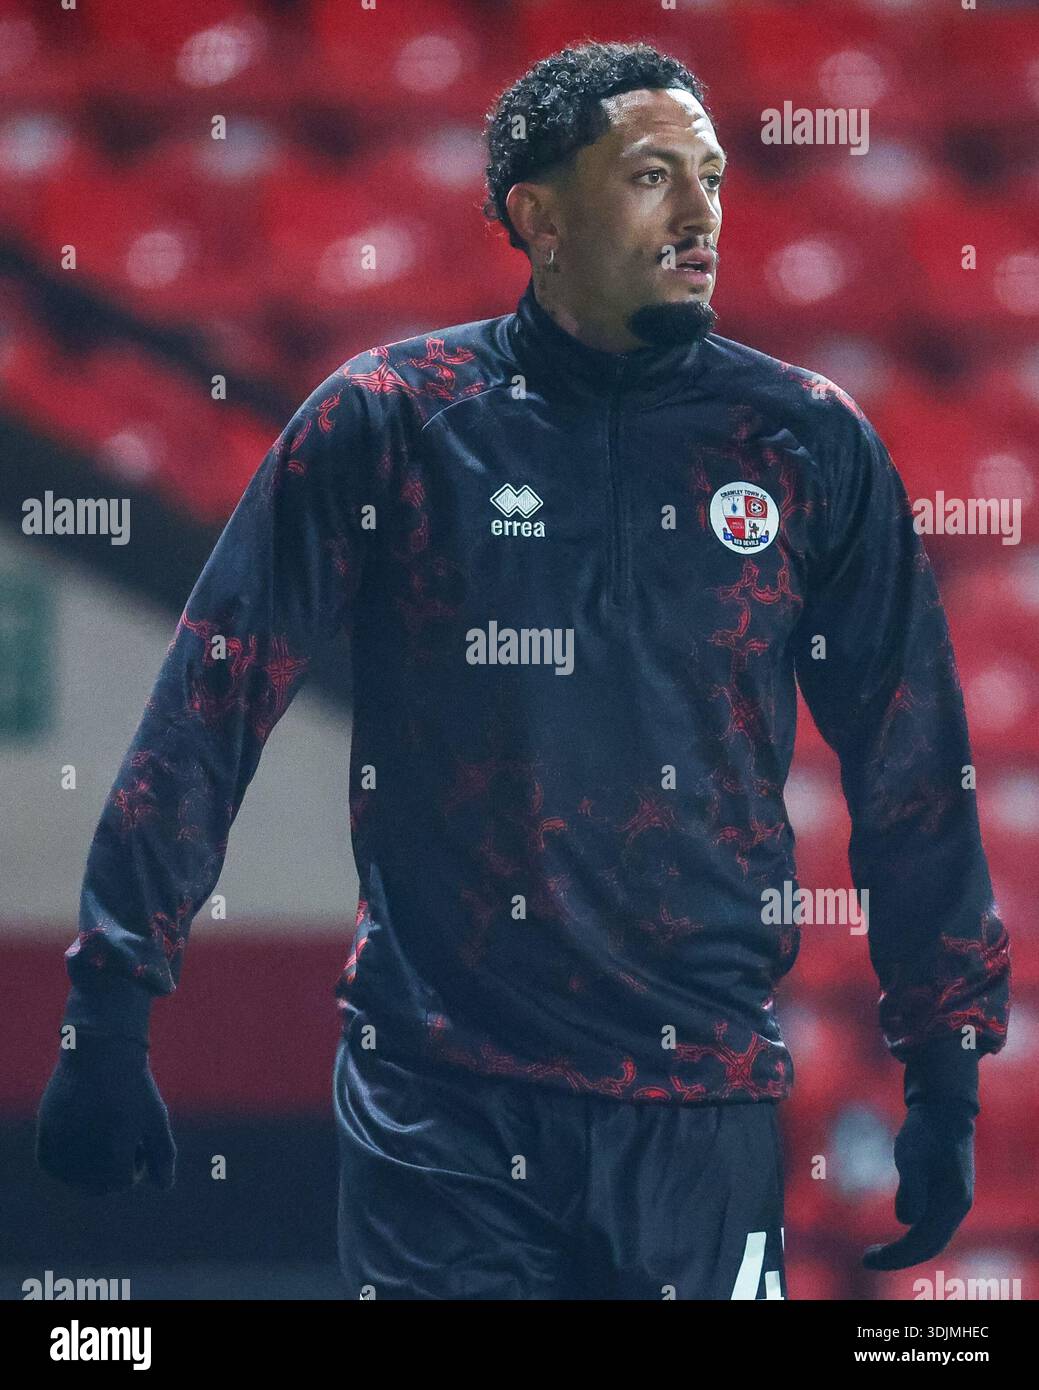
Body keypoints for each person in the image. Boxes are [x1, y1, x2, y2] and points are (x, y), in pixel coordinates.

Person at [37, 41, 1010, 1300]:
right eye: (653, 174)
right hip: (441, 1111)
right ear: (536, 217)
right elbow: (212, 705)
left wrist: (943, 1067)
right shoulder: (387, 421)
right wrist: (111, 999)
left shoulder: (805, 442)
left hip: (700, 1105)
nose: (701, 209)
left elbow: (910, 764)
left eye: (711, 176)